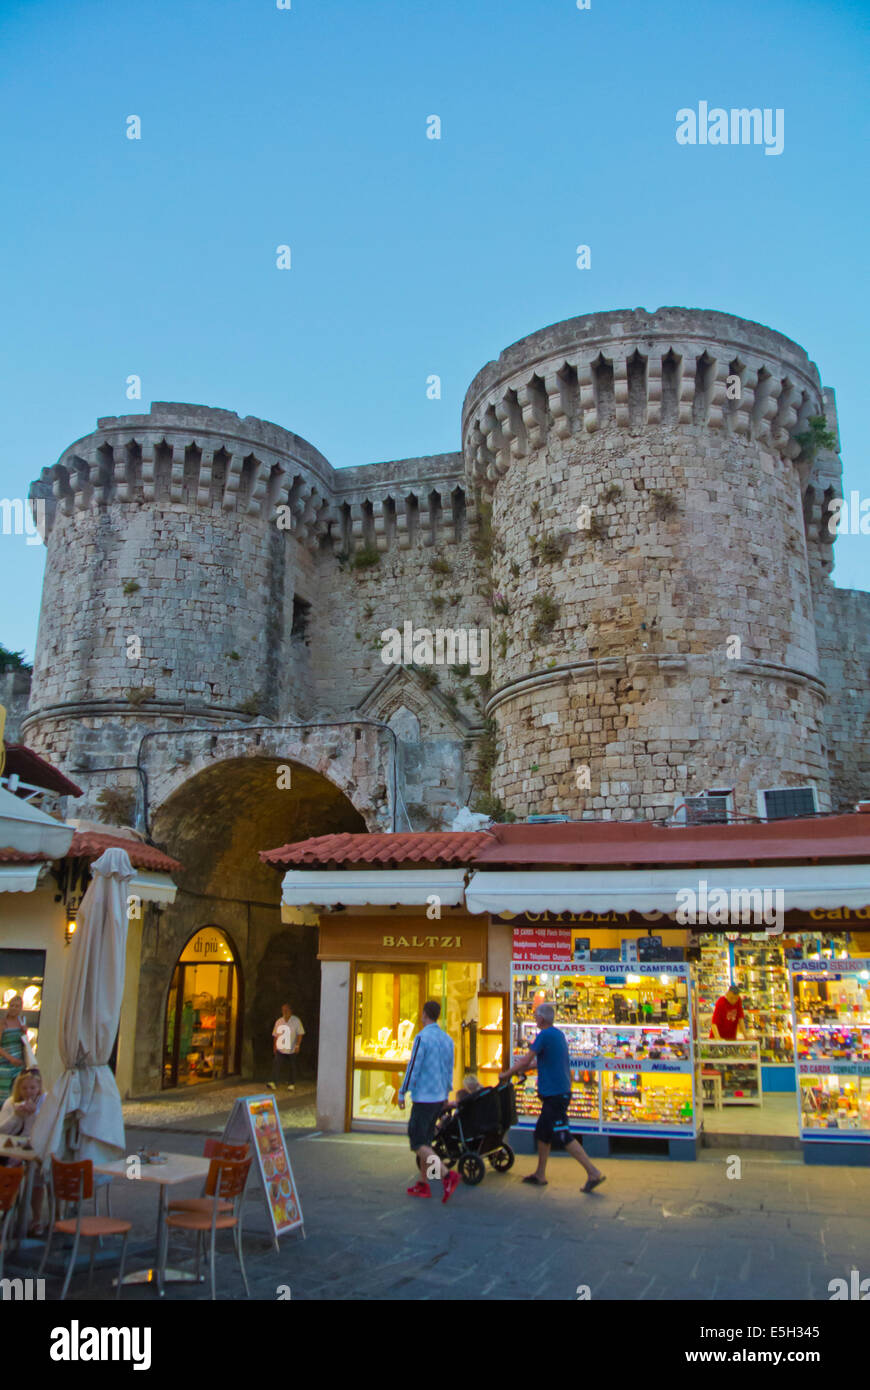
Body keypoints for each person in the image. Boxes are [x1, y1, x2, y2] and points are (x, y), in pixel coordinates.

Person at [500, 1002, 606, 1194]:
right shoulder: (557, 1035)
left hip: (555, 1095)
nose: (534, 1017)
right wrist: (527, 1069)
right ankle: (540, 1174)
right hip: (559, 1092)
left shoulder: (544, 1035)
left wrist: (507, 1074)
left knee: (563, 1134)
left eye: (535, 1015)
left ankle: (593, 1172)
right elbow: (543, 1061)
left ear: (542, 1018)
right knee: (543, 1133)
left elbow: (526, 1059)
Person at [398, 1000, 459, 1203]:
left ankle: (447, 1176)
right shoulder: (446, 1039)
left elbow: (413, 1066)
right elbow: (449, 1068)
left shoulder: (422, 1038)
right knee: (426, 1141)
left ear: (424, 1014)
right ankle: (423, 1182)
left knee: (417, 1140)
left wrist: (402, 1091)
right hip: (438, 1097)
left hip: (424, 1096)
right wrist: (446, 1093)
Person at [0, 1068, 45, 1235]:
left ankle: (36, 1219)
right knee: (9, 1170)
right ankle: (6, 1210)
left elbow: (34, 1136)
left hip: (33, 1150)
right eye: (24, 1088)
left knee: (37, 1174)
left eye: (32, 1088)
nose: (28, 1092)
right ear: (18, 1088)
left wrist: (32, 1116)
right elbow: (2, 1131)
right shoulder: (10, 1103)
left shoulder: (44, 1103)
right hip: (9, 1150)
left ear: (39, 1088)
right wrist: (16, 1116)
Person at [268, 1003, 305, 1091]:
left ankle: (291, 1083)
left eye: (286, 1010)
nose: (285, 1012)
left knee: (292, 1065)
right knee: (276, 1064)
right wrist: (275, 1046)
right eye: (283, 1010)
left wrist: (297, 1045)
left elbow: (300, 1033)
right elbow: (275, 1035)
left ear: (290, 1011)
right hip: (281, 1047)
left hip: (291, 1047)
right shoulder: (279, 1021)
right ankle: (273, 1082)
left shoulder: (296, 1021)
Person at [0, 995, 29, 1104]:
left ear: (21, 1008)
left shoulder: (21, 1022)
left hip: (19, 1064)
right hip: (4, 1064)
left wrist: (25, 1032)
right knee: (3, 1096)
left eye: (17, 1006)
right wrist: (11, 1059)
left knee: (17, 1094)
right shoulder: (3, 1023)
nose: (14, 1008)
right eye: (12, 1005)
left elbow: (24, 1044)